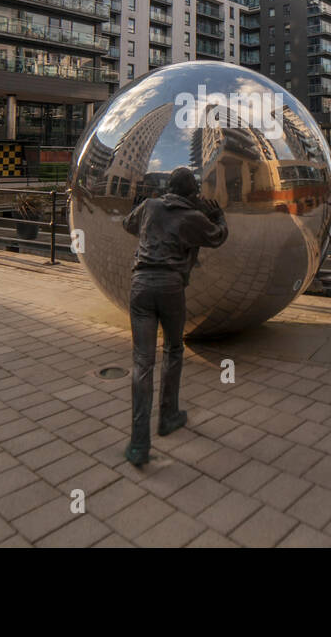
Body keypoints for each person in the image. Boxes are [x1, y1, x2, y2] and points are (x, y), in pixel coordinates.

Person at [120, 166, 228, 466]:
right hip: (170, 287)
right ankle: (168, 415)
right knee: (173, 348)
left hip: (140, 285)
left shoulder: (151, 206)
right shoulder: (193, 218)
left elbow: (128, 225)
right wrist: (217, 215)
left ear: (169, 188)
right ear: (192, 193)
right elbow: (218, 237)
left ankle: (139, 444)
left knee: (142, 362)